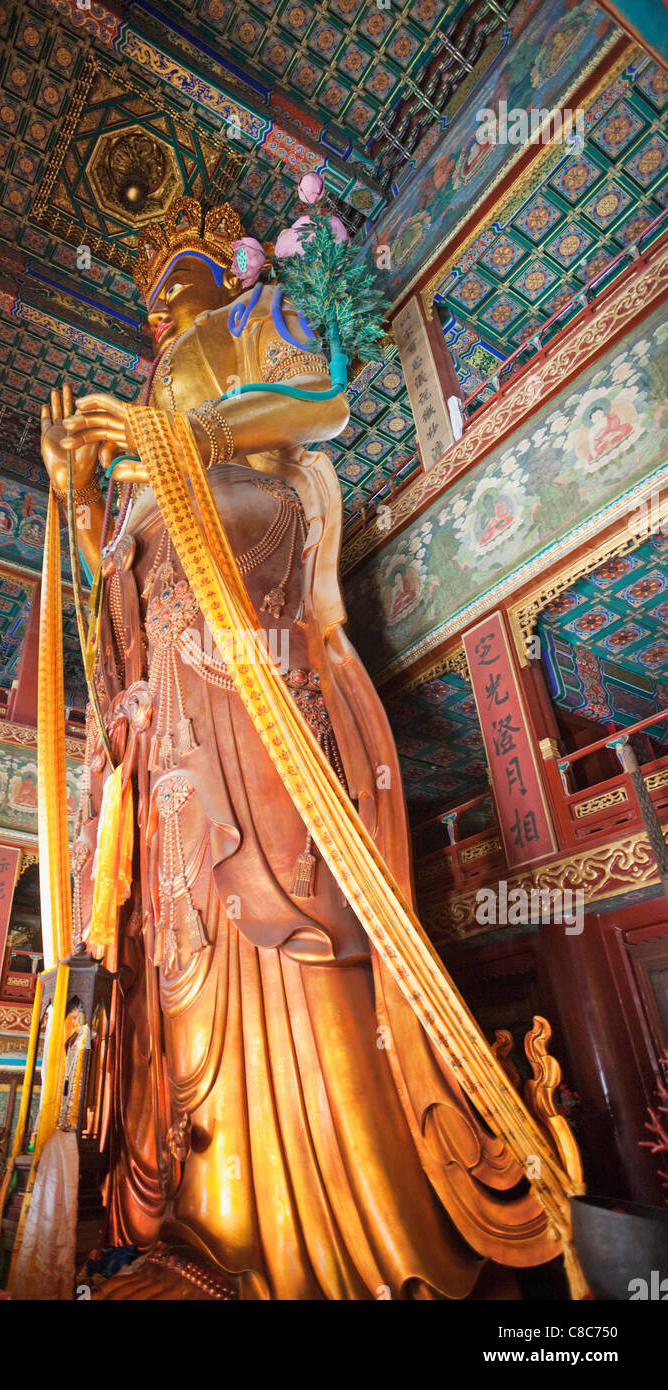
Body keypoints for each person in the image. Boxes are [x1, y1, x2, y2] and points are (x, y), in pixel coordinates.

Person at [38, 198, 559, 1300]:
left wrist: (181, 442)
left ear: (212, 271)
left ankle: (361, 1234)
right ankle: (206, 1224)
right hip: (173, 718)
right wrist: (80, 495)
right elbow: (111, 574)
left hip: (252, 668)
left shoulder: (250, 328)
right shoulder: (143, 402)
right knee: (181, 945)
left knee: (298, 908)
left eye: (173, 276)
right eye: (148, 293)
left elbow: (321, 408)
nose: (158, 300)